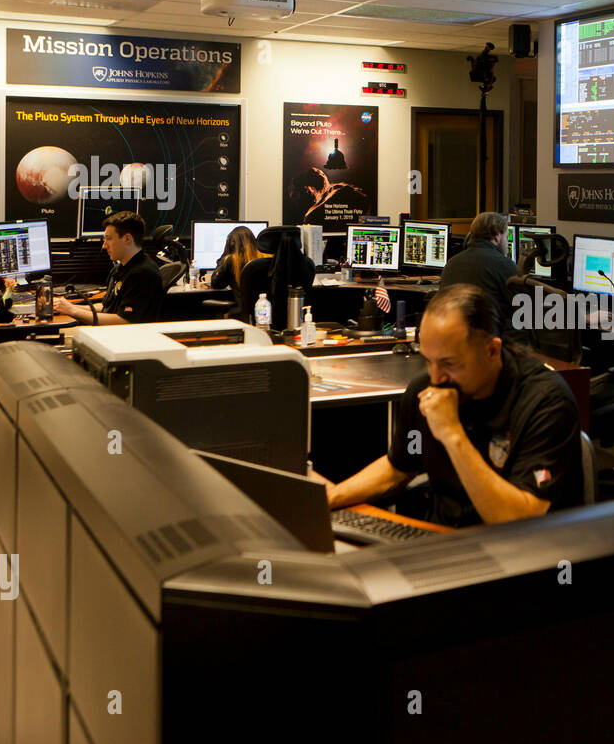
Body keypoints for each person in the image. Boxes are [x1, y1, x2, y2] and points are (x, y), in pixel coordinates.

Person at [320, 284, 583, 527]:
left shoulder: (545, 402)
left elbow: (518, 520)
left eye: (449, 364)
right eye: (428, 361)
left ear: (491, 351)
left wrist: (452, 434)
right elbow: (398, 468)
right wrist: (333, 496)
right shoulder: (426, 388)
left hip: (518, 557)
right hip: (441, 540)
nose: (436, 378)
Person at [54, 211, 165, 325]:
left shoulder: (142, 274)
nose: (104, 245)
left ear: (127, 239)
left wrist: (73, 311)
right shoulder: (121, 268)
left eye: (109, 238)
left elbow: (125, 321)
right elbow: (107, 307)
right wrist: (67, 307)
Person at [439, 211, 516, 335]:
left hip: (454, 339)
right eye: (506, 237)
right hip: (490, 341)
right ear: (497, 236)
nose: (507, 244)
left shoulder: (451, 264)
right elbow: (521, 307)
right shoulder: (504, 264)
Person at [210, 225, 267, 290]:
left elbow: (215, 284)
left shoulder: (231, 260)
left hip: (241, 300)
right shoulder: (265, 258)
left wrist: (224, 256)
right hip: (263, 300)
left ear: (231, 245)